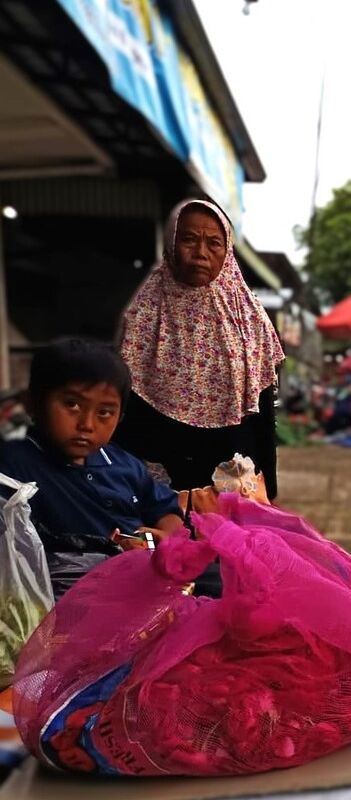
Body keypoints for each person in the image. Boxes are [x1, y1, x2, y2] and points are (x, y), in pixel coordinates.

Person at [114, 199, 285, 498]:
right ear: (171, 243)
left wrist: (268, 485)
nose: (201, 253)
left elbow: (263, 409)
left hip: (232, 465)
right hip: (159, 468)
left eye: (214, 243)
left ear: (227, 251)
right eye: (189, 240)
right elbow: (125, 404)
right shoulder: (144, 312)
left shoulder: (249, 316)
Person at [0, 339, 183, 558]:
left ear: (120, 417)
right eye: (72, 404)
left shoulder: (124, 464)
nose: (87, 425)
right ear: (33, 403)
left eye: (104, 412)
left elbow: (166, 510)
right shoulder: (14, 467)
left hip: (148, 566)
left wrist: (165, 537)